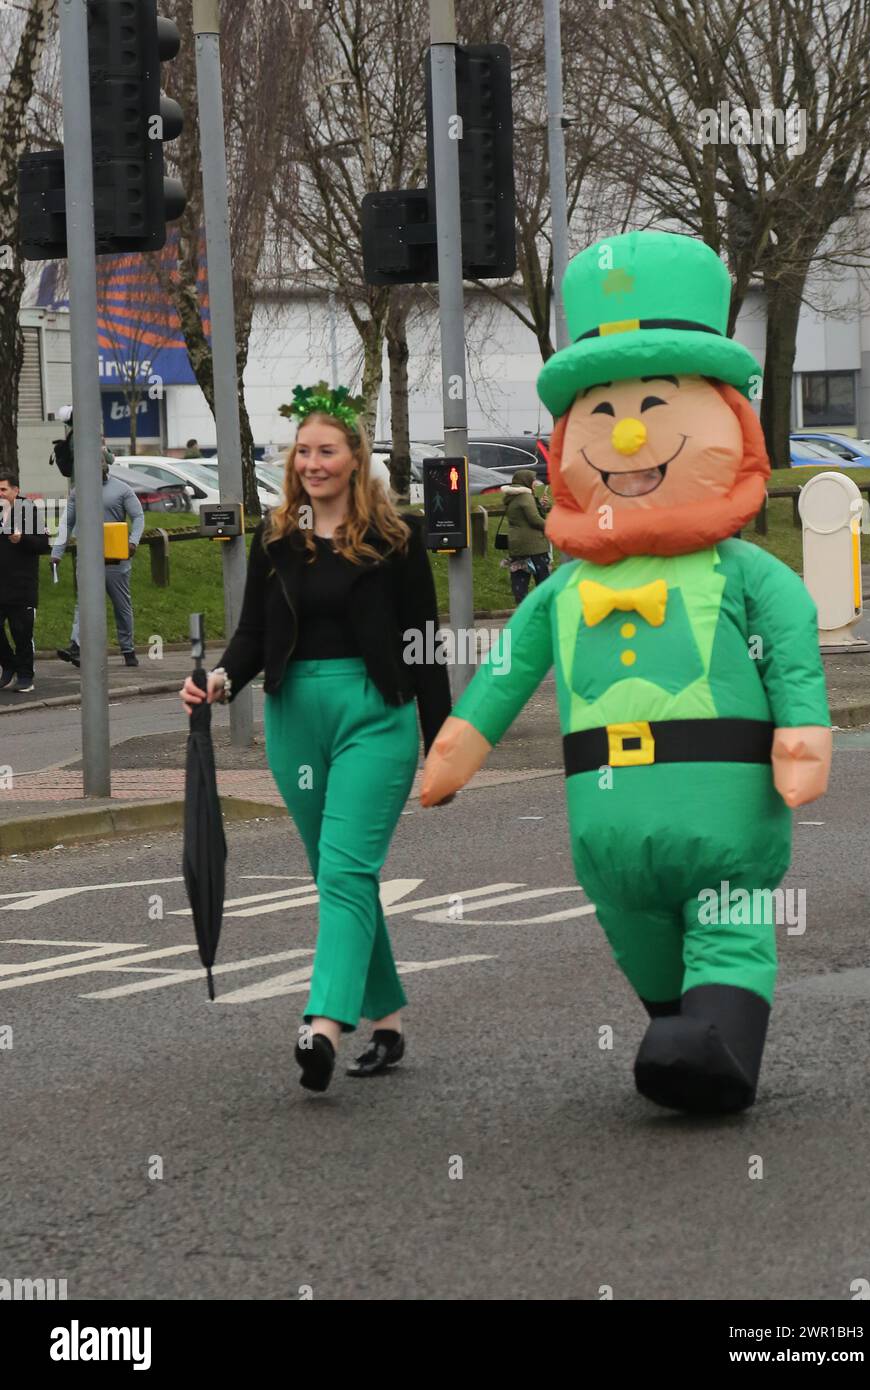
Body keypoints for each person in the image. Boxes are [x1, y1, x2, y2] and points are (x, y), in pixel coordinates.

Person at [421, 230, 832, 1116]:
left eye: (654, 403)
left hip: (722, 808)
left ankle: (716, 1041)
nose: (631, 431)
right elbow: (505, 673)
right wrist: (458, 744)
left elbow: (792, 635)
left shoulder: (742, 573)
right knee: (638, 939)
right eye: (603, 413)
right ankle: (678, 1026)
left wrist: (802, 726)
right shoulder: (563, 590)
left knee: (728, 921)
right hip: (606, 829)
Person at [180, 381, 452, 1095]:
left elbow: (424, 645)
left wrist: (444, 743)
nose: (312, 463)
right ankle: (387, 1018)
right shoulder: (277, 542)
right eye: (303, 451)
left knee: (344, 870)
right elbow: (250, 636)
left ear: (355, 459)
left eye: (326, 450)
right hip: (294, 715)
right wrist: (218, 680)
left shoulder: (397, 541)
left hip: (374, 716)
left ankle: (324, 1023)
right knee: (339, 874)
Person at [51, 453, 144, 668]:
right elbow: (67, 523)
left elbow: (138, 517)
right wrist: (57, 552)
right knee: (83, 603)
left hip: (116, 558)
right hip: (87, 558)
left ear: (105, 469)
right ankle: (77, 645)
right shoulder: (78, 492)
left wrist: (133, 542)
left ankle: (127, 648)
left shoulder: (122, 489)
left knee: (121, 605)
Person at [0, 471, 50, 693]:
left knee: (21, 633)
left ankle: (25, 676)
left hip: (21, 585)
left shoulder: (28, 510)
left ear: (16, 490)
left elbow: (43, 545)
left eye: (3, 489)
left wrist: (22, 539)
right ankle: (9, 665)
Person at [500, 467, 551, 604]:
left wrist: (540, 505)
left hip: (517, 546)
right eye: (533, 480)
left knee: (520, 581)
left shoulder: (513, 497)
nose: (535, 483)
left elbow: (523, 515)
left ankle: (522, 612)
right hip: (534, 546)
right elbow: (534, 520)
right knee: (543, 581)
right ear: (526, 481)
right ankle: (543, 612)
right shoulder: (526, 497)